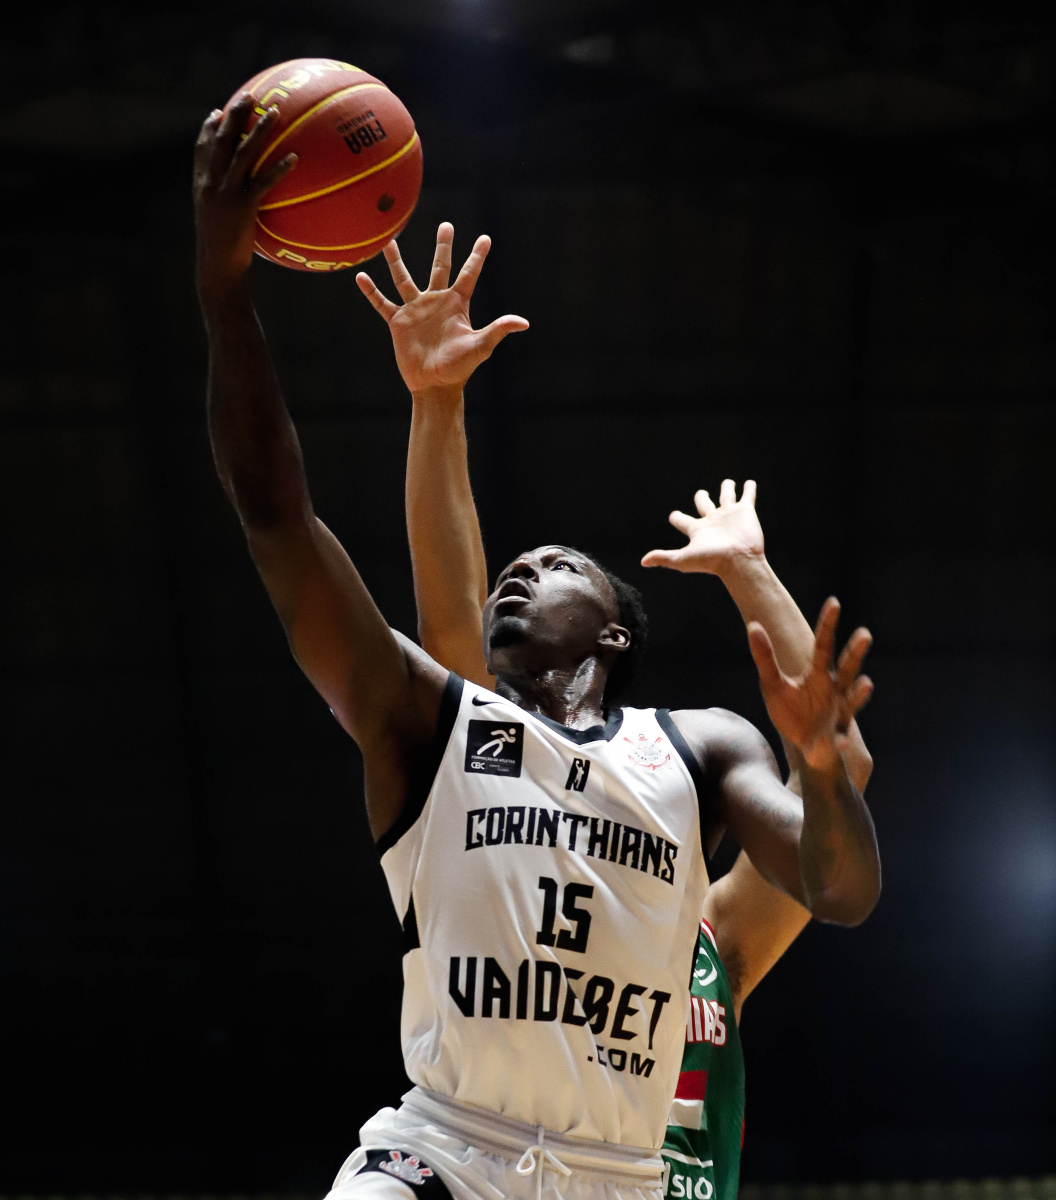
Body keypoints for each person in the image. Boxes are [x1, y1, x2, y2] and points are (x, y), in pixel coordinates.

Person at [193, 100, 881, 1200]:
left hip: (622, 1177)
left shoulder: (696, 754)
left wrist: (818, 762)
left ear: (615, 627)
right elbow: (281, 521)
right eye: (511, 566)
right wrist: (225, 287)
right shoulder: (438, 722)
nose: (521, 569)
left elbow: (839, 883)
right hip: (442, 1150)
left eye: (554, 563)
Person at [362, 222, 875, 1200]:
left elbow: (839, 787)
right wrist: (435, 404)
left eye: (555, 569)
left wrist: (752, 571)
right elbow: (450, 624)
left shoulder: (717, 935)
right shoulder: (505, 787)